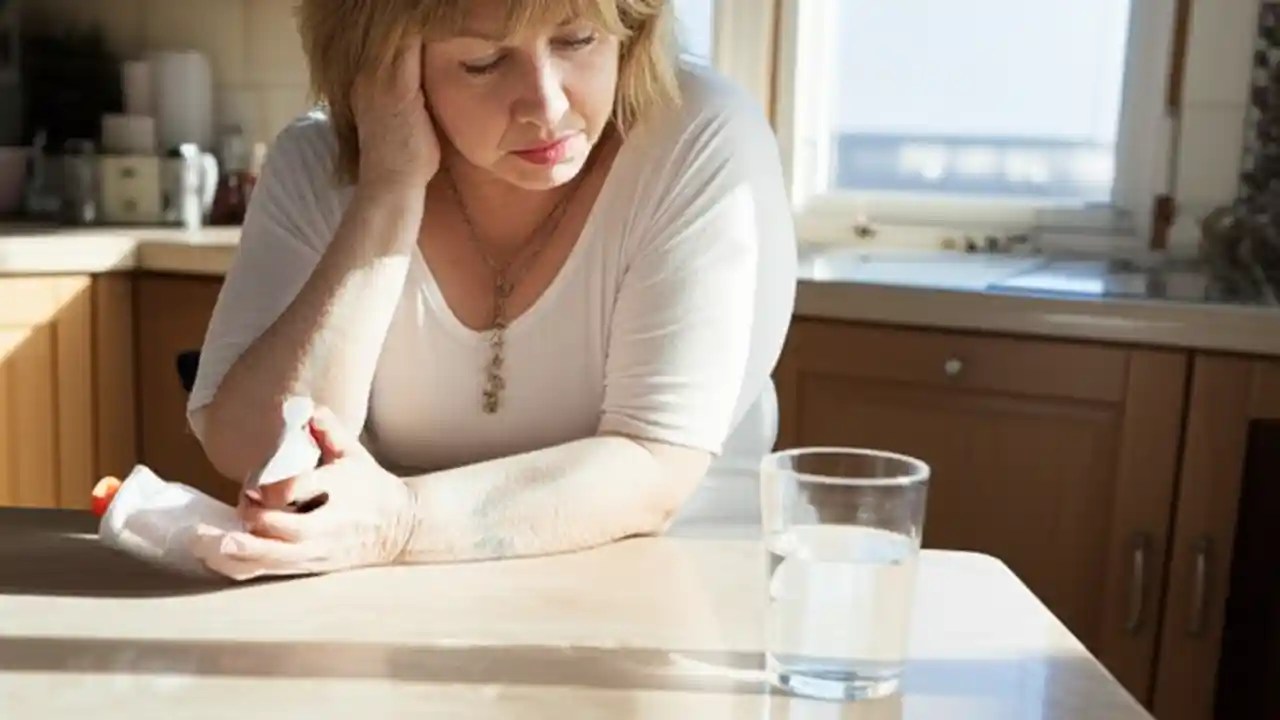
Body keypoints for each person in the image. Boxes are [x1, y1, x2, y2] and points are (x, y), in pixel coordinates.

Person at [185, 0, 796, 580]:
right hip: (396, 606)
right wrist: (389, 191)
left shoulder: (698, 136)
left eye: (577, 38)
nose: (546, 105)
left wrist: (401, 521)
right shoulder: (318, 161)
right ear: (382, 62)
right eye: (483, 62)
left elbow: (651, 469)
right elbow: (255, 450)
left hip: (677, 598)